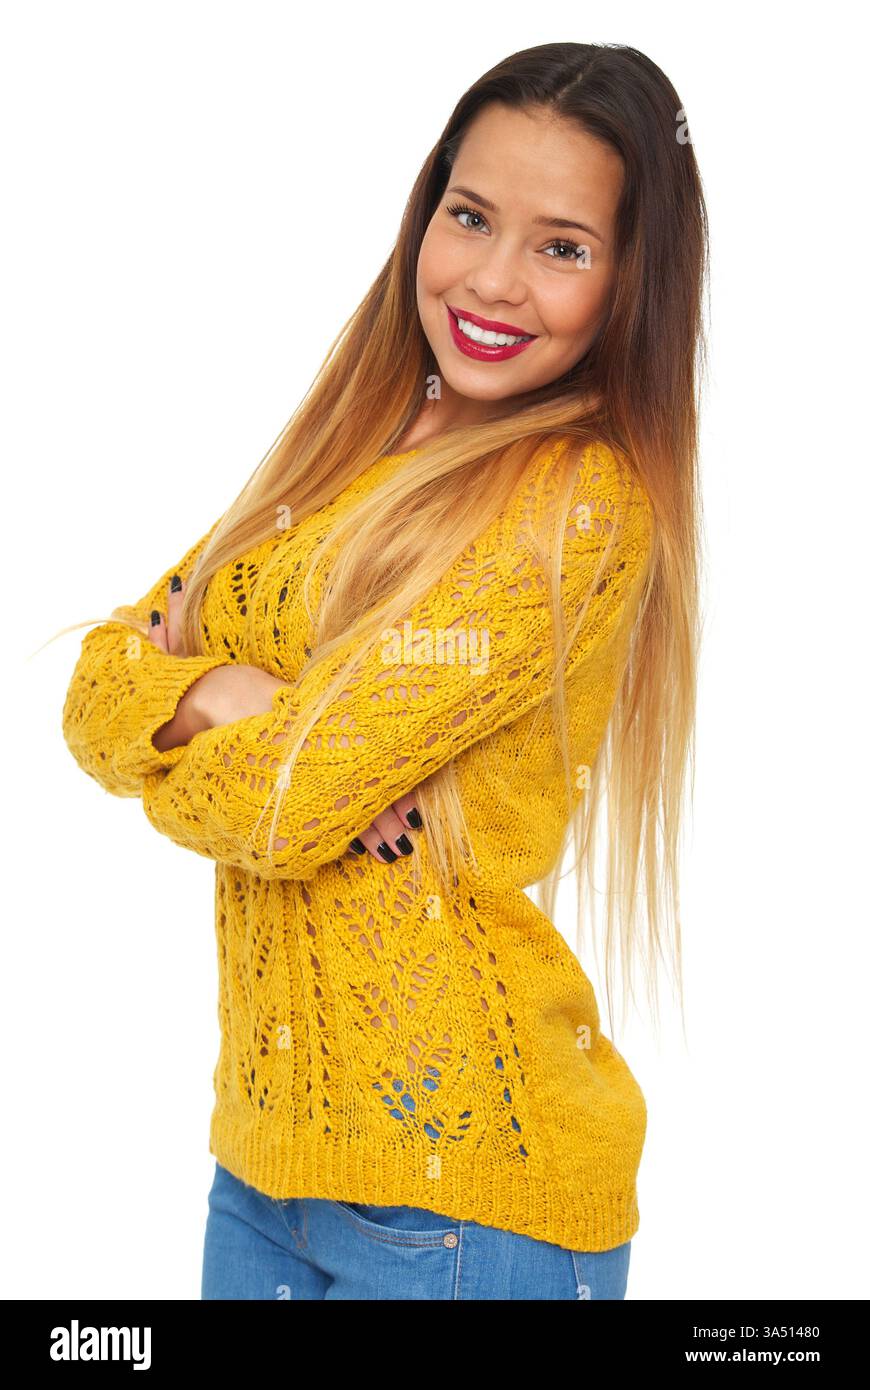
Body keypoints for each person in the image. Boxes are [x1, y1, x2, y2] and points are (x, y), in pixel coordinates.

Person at [60, 40, 704, 1300]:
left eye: (562, 246)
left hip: (466, 1207)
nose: (495, 280)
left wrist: (226, 706)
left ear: (631, 277)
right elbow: (91, 691)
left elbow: (288, 806)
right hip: (260, 1170)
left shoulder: (577, 506)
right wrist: (217, 694)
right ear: (428, 211)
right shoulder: (343, 442)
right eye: (470, 217)